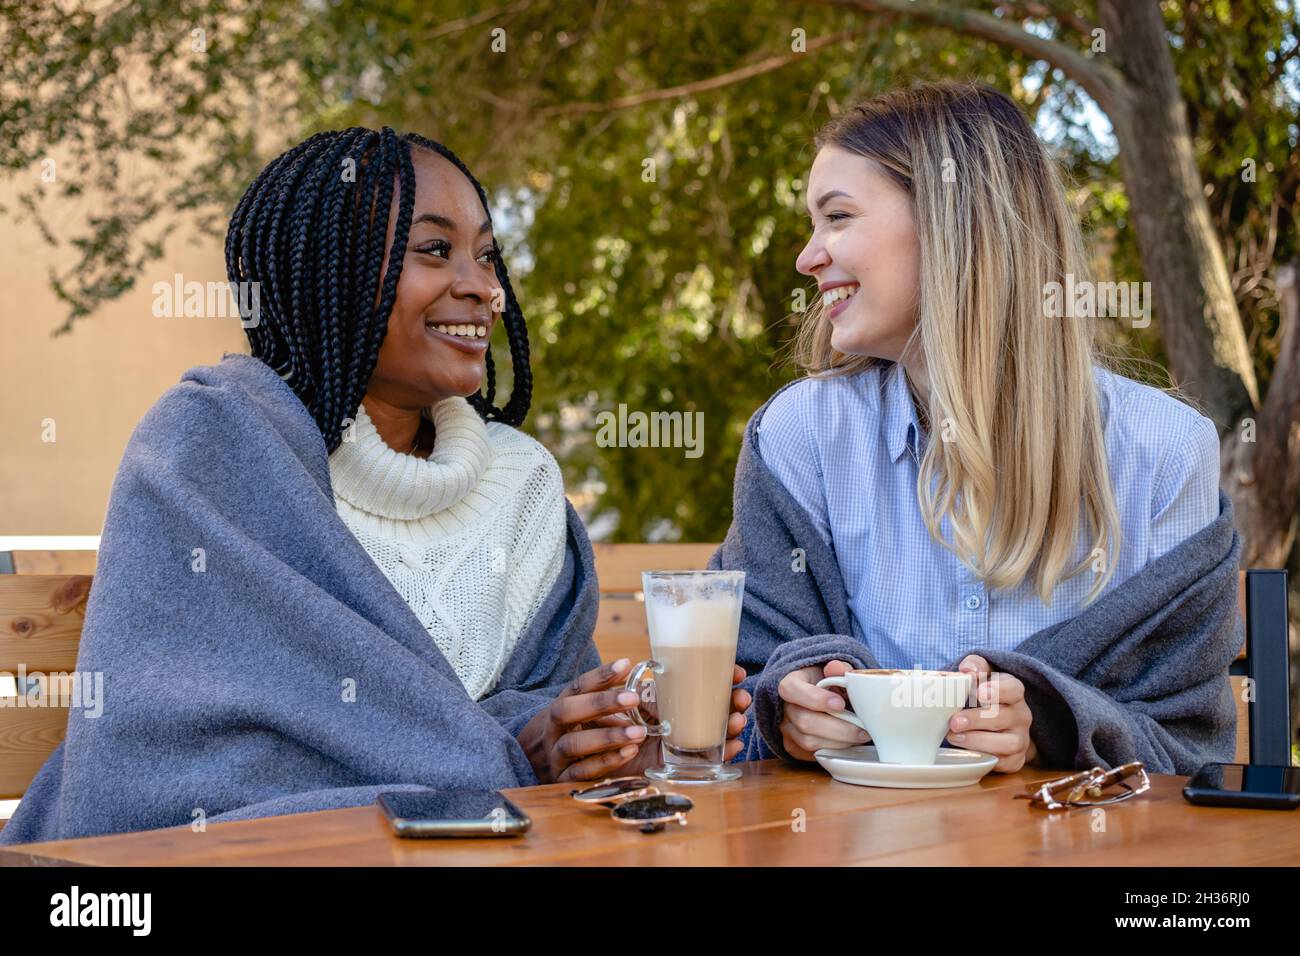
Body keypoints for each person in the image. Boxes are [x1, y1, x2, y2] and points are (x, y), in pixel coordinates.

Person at [1, 128, 745, 844]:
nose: (482, 288)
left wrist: (601, 738)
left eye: (488, 257)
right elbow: (178, 759)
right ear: (331, 267)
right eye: (435, 250)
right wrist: (508, 758)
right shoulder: (212, 446)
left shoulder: (524, 483)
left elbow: (544, 713)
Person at [713, 82, 1241, 776]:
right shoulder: (800, 437)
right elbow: (741, 693)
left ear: (951, 221)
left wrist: (1049, 729)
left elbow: (1188, 749)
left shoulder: (1167, 453)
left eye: (837, 217)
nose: (807, 258)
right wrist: (792, 710)